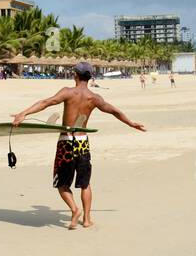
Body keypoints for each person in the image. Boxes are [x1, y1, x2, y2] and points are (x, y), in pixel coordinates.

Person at [11, 62, 146, 230]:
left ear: (75, 75)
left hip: (66, 142)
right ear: (89, 78)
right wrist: (131, 123)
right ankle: (87, 219)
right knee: (85, 183)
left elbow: (47, 102)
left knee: (62, 183)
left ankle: (75, 210)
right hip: (82, 142)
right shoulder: (94, 98)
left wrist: (23, 113)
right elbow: (114, 111)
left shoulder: (68, 92)